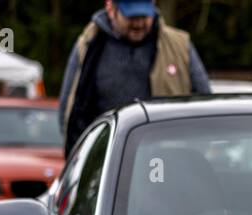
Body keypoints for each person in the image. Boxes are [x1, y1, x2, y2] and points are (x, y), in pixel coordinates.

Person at [59, 1, 211, 155]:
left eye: (144, 16)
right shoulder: (88, 46)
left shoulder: (179, 45)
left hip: (169, 158)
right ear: (111, 9)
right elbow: (68, 110)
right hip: (108, 159)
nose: (138, 24)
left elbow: (206, 103)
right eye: (131, 17)